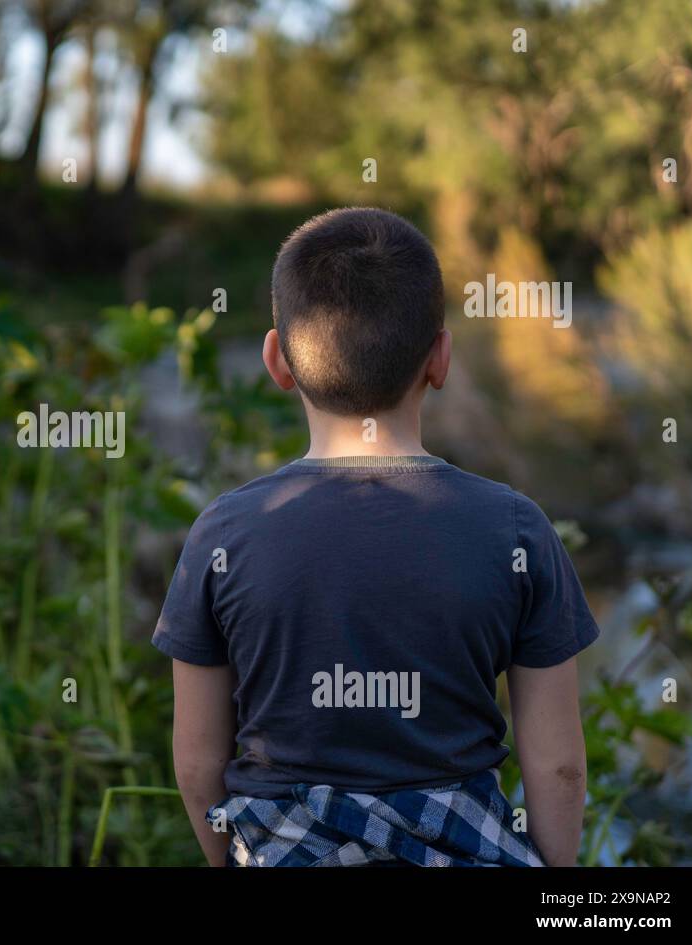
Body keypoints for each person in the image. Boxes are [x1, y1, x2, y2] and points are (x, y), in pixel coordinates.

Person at [153, 207, 598, 867]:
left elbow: (196, 761)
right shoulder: (516, 530)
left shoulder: (225, 534)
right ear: (440, 358)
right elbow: (558, 768)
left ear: (278, 361)